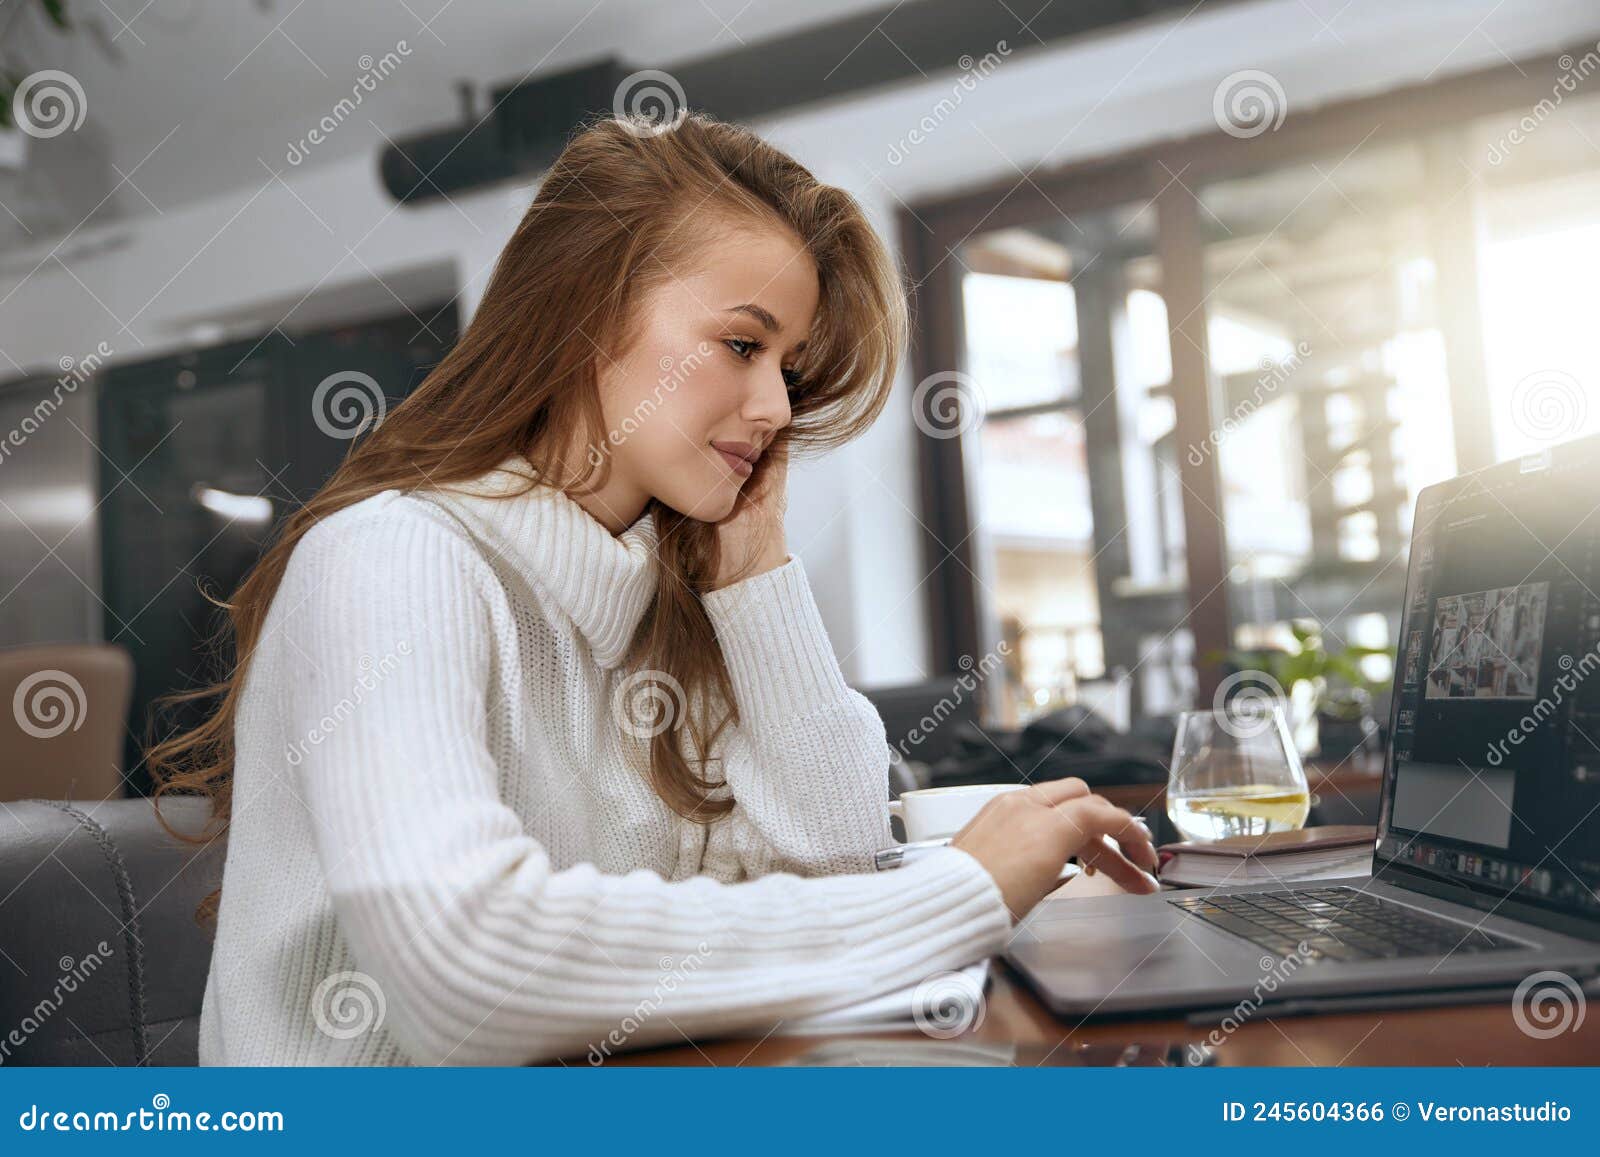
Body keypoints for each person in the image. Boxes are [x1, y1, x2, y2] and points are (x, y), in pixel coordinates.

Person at [152, 112, 1159, 1066]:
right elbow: (463, 970)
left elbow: (840, 871)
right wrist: (960, 888)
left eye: (789, 369)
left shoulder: (660, 593)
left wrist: (756, 569)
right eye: (740, 344)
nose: (773, 408)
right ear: (589, 312)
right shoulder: (392, 555)